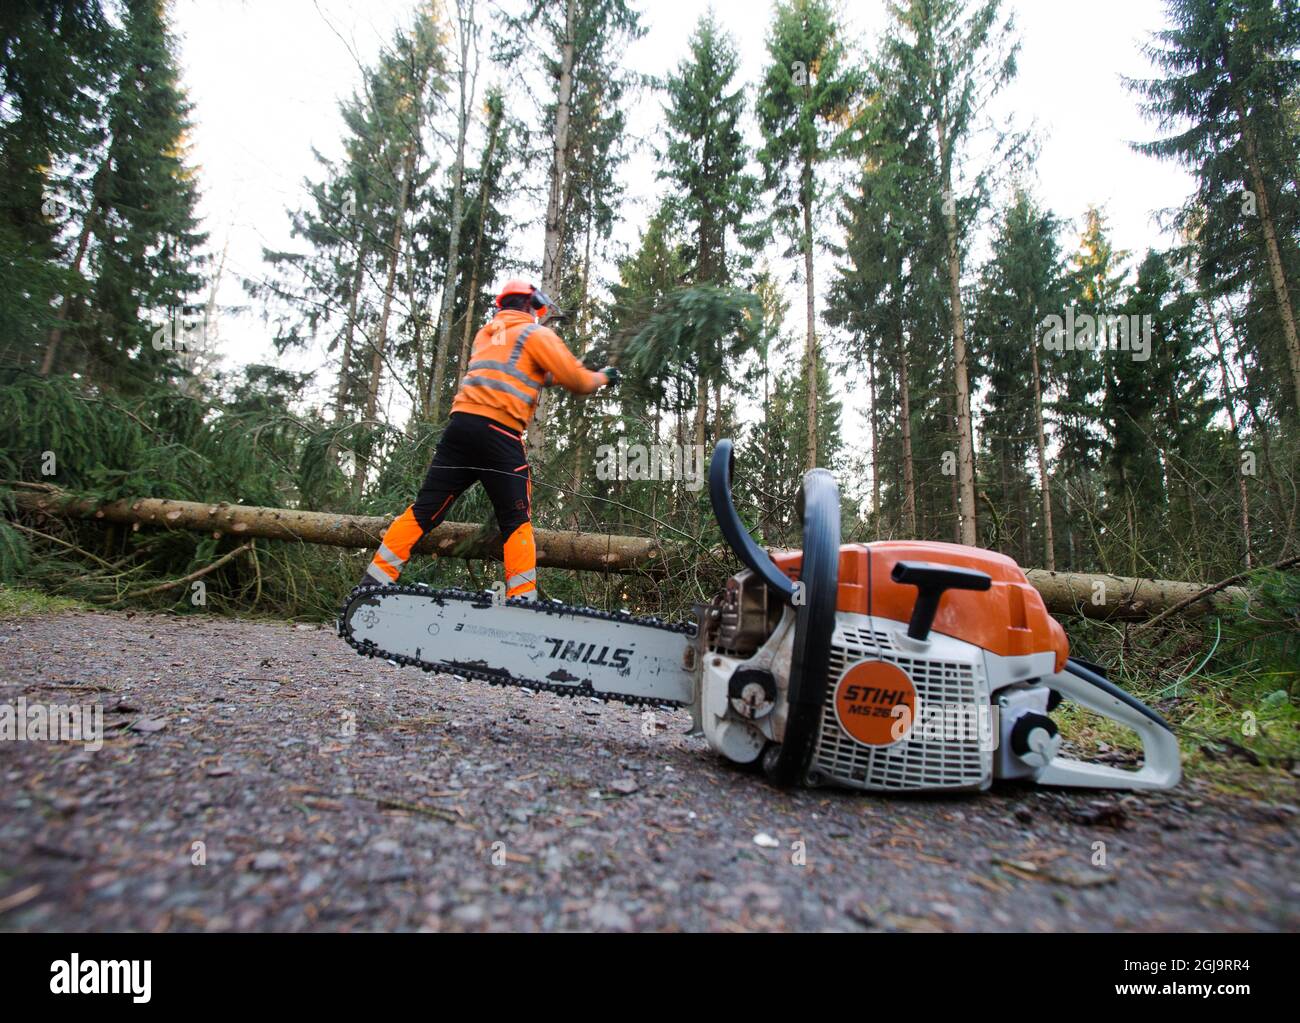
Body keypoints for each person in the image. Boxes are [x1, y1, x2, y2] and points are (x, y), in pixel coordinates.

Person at [358, 279, 619, 599]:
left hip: (460, 429)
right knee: (516, 522)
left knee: (423, 511)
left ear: (502, 305)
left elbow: (536, 372)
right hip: (499, 434)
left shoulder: (487, 335)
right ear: (530, 305)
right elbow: (577, 380)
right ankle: (522, 599)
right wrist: (604, 376)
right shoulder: (536, 334)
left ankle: (373, 583)